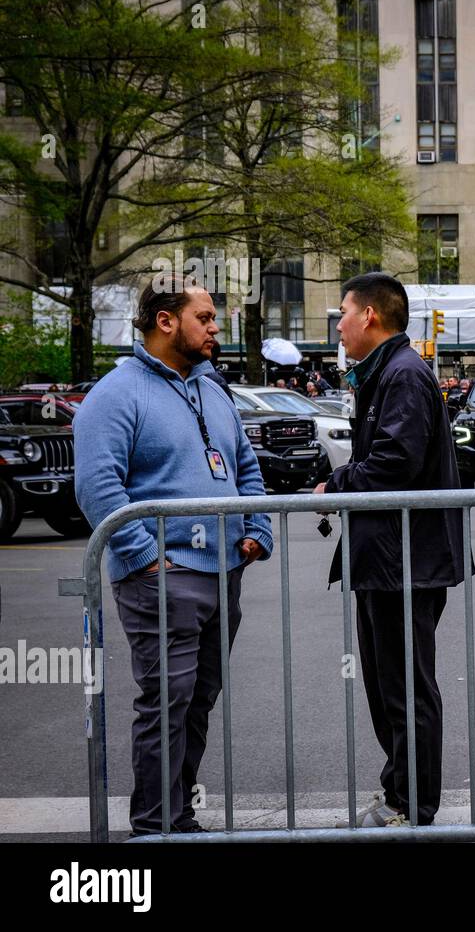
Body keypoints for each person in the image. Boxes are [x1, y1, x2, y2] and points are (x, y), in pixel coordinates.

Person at [74, 274, 273, 837]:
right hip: (163, 578)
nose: (215, 329)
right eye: (205, 319)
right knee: (166, 704)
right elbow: (96, 485)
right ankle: (156, 826)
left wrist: (258, 529)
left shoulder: (212, 388)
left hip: (224, 572)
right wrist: (145, 558)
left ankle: (177, 817)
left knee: (197, 701)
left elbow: (246, 470)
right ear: (166, 321)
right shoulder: (116, 395)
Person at [314, 272, 467, 827]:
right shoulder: (386, 373)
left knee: (404, 687)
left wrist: (336, 485)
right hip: (387, 556)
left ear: (370, 317)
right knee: (387, 686)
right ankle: (399, 794)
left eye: (343, 313)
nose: (339, 324)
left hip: (406, 559)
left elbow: (394, 466)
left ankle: (411, 805)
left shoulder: (403, 375)